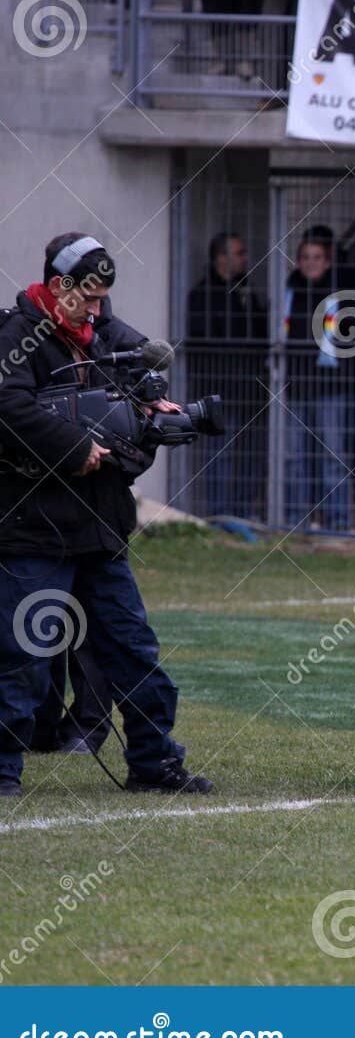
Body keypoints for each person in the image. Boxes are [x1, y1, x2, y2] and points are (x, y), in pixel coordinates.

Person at [0, 233, 214, 797]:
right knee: (20, 657)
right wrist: (76, 449)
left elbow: (145, 366)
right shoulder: (16, 336)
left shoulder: (103, 334)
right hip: (32, 531)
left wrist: (151, 403)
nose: (99, 310)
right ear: (58, 287)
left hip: (98, 529)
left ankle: (153, 764)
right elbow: (9, 405)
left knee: (132, 649)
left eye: (102, 299)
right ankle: (1, 773)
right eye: (89, 298)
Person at [282, 229, 355, 531]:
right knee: (295, 457)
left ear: (328, 261)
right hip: (296, 385)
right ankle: (297, 520)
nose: (310, 263)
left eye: (317, 257)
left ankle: (337, 521)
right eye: (304, 257)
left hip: (332, 387)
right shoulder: (291, 290)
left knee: (333, 456)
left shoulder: (343, 291)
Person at [186, 232, 271, 520]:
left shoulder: (244, 291)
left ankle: (243, 513)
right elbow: (205, 342)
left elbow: (259, 334)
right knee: (220, 454)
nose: (245, 258)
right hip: (220, 388)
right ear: (221, 257)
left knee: (251, 455)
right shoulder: (203, 294)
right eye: (239, 252)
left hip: (250, 388)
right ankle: (221, 515)